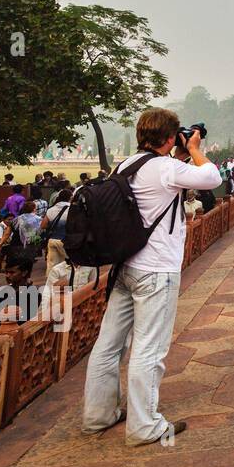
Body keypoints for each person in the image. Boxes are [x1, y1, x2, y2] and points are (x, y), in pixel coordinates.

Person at [82, 108, 221, 447]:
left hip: (126, 266)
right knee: (149, 349)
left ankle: (98, 415)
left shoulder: (127, 164)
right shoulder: (166, 169)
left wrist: (178, 153)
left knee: (109, 344)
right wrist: (196, 148)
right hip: (156, 271)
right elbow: (212, 178)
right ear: (172, 138)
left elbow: (167, 179)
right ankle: (144, 426)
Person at [41, 187, 73, 276]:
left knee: (52, 265)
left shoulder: (51, 209)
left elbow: (43, 225)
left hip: (52, 240)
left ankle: (51, 284)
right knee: (68, 264)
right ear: (70, 197)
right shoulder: (72, 209)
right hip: (66, 240)